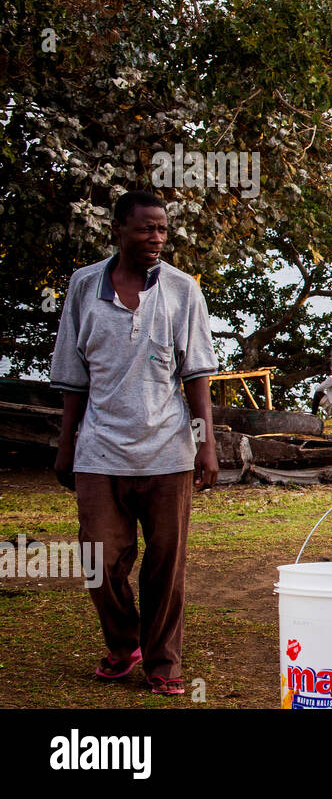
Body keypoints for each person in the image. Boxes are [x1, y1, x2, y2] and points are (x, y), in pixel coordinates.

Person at [50, 190, 218, 696]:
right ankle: (124, 645)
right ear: (119, 229)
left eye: (163, 229)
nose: (156, 238)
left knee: (167, 565)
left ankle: (164, 663)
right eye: (146, 228)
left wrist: (204, 443)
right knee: (98, 560)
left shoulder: (182, 290)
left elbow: (197, 377)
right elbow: (73, 378)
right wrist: (65, 445)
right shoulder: (83, 287)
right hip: (100, 450)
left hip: (167, 452)